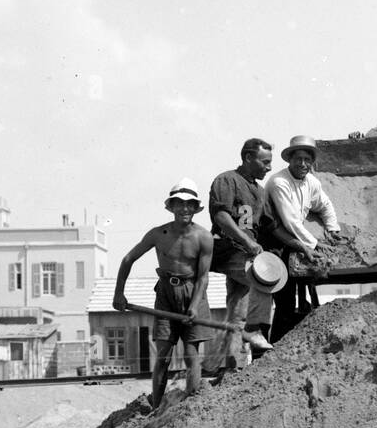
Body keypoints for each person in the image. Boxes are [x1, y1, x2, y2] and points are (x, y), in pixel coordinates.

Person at [112, 179, 213, 409]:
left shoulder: (203, 237)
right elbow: (128, 259)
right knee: (164, 354)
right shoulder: (159, 234)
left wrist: (195, 306)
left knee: (191, 353)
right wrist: (119, 293)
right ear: (171, 207)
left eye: (189, 204)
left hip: (193, 292)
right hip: (166, 294)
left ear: (196, 208)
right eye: (179, 204)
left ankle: (192, 407)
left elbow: (203, 276)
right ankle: (156, 408)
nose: (184, 209)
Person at [262, 135, 344, 341]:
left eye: (307, 160)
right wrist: (316, 245)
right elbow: (290, 221)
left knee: (303, 296)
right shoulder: (279, 182)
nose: (303, 164)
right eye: (298, 159)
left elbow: (324, 205)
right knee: (284, 301)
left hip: (296, 242)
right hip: (275, 242)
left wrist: (332, 229)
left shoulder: (312, 182)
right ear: (289, 159)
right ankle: (275, 347)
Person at [208, 139, 273, 376]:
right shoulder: (227, 180)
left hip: (244, 252)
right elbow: (221, 217)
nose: (268, 167)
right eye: (265, 162)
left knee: (237, 311)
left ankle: (230, 366)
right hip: (227, 248)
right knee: (265, 279)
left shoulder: (259, 190)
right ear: (248, 158)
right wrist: (247, 241)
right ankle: (253, 332)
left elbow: (268, 226)